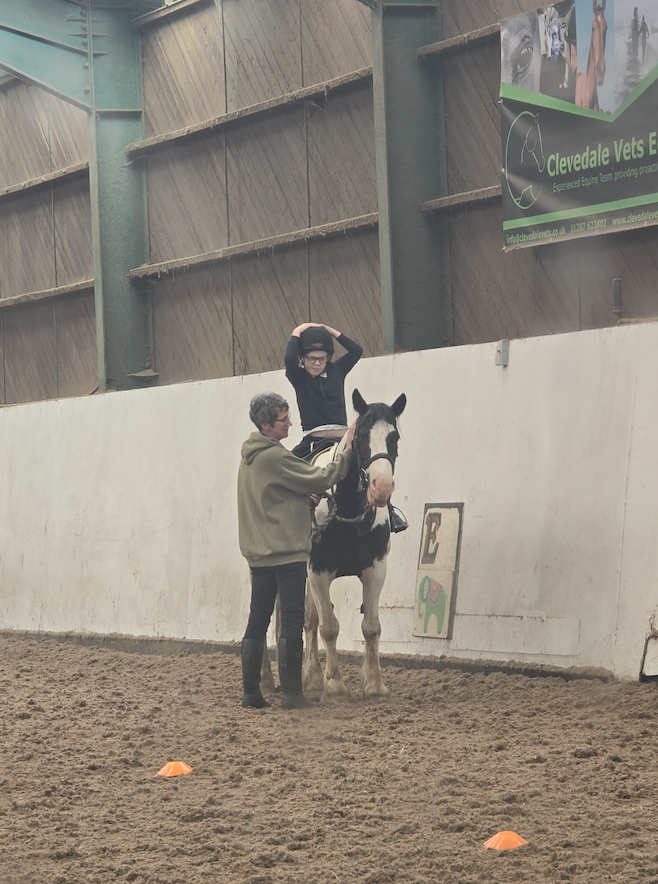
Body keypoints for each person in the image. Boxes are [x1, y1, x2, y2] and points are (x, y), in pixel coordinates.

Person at [237, 391, 355, 710]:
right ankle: (292, 695)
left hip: (258, 551)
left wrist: (301, 500)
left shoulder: (250, 455)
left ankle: (251, 693)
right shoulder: (277, 456)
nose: (289, 423)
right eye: (283, 419)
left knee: (258, 619)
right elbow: (324, 475)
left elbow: (272, 497)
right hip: (286, 551)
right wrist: (346, 451)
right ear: (266, 424)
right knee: (291, 621)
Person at [284, 322, 408, 532]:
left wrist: (332, 332)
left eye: (322, 358)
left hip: (344, 438)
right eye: (311, 358)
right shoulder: (299, 377)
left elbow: (356, 350)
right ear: (301, 359)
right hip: (313, 441)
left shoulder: (337, 370)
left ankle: (388, 509)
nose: (317, 363)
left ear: (329, 358)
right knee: (286, 472)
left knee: (371, 464)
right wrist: (297, 331)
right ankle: (289, 520)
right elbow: (288, 358)